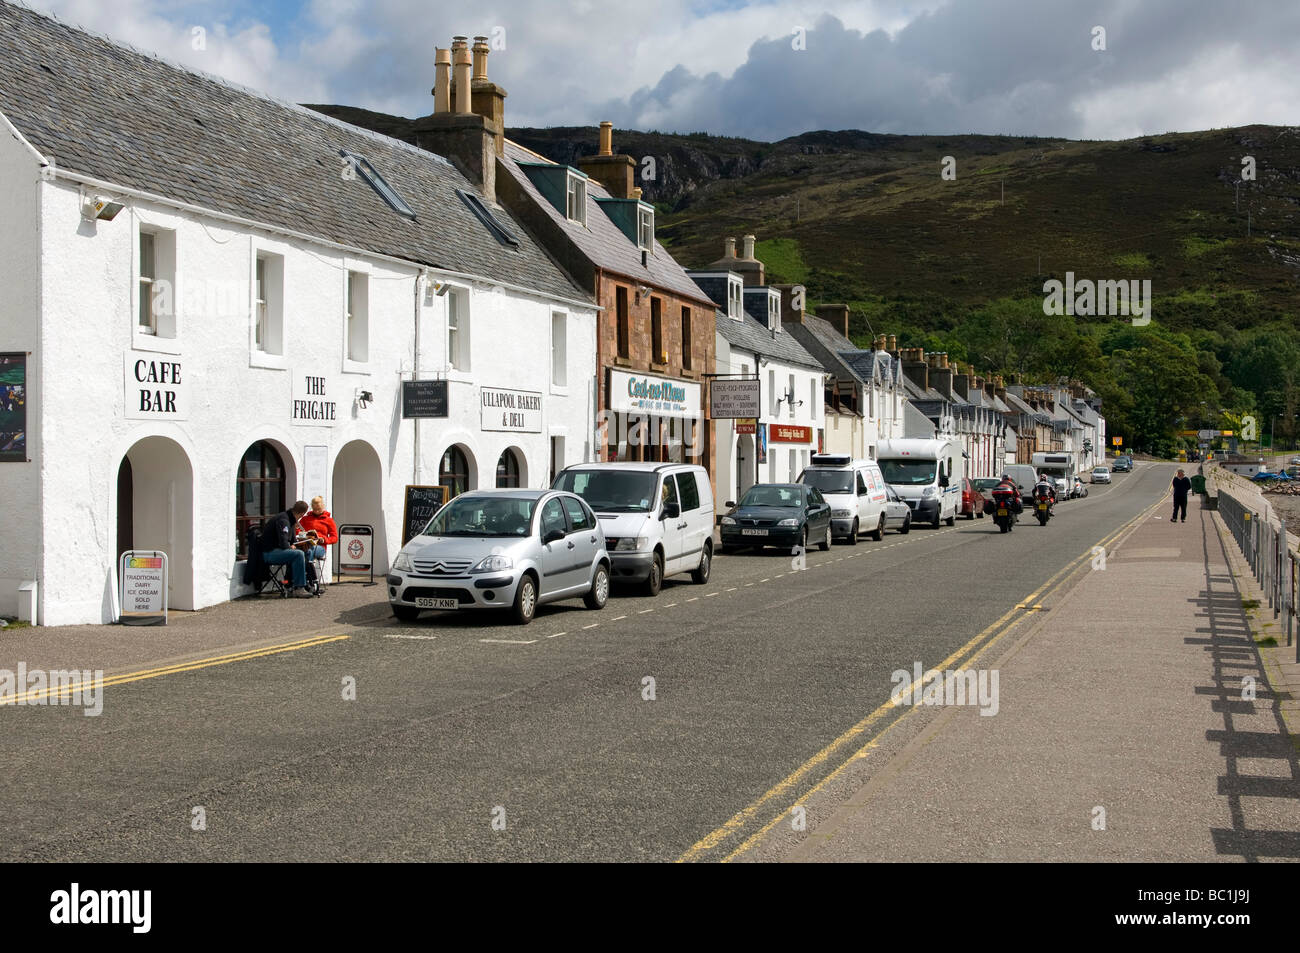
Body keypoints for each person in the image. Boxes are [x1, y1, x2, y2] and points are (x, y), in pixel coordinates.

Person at [261, 500, 314, 597]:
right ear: (302, 514)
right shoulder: (284, 520)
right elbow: (283, 542)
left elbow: (292, 541)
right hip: (269, 552)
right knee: (298, 554)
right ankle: (299, 587)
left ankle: (303, 583)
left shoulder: (291, 519)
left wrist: (301, 545)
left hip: (277, 550)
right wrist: (291, 547)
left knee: (307, 552)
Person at [299, 496, 338, 563]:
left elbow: (335, 537)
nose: (317, 511)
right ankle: (309, 570)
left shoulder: (329, 520)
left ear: (323, 507)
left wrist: (324, 539)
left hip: (320, 547)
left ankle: (307, 570)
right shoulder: (305, 519)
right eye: (314, 509)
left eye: (319, 509)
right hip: (306, 545)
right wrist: (303, 536)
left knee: (309, 550)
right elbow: (298, 530)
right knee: (302, 551)